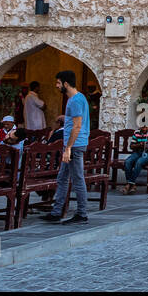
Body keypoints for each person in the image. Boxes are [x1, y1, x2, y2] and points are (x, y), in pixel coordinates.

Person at [45, 70, 89, 224]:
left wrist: (68, 148)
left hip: (75, 145)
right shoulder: (77, 98)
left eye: (58, 83)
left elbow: (77, 126)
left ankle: (82, 214)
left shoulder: (75, 101)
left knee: (77, 179)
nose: (56, 86)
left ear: (66, 83)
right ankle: (56, 211)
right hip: (72, 144)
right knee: (62, 178)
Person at [123, 125, 148, 195]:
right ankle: (132, 185)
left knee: (139, 162)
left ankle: (128, 185)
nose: (144, 128)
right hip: (138, 152)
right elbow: (131, 146)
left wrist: (137, 145)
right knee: (127, 161)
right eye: (142, 127)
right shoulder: (137, 132)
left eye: (145, 127)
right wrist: (140, 144)